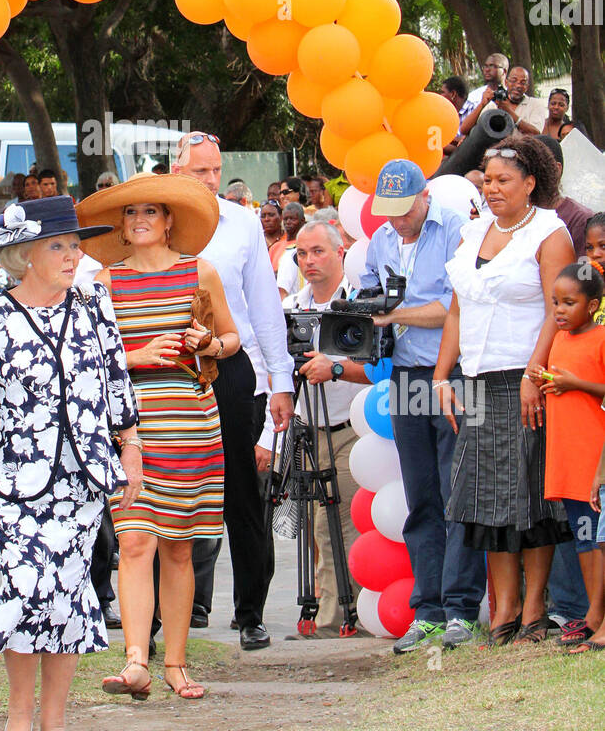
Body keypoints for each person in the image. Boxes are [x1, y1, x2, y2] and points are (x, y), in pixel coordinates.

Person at [0, 197, 141, 731]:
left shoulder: (94, 304)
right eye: (59, 245)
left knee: (71, 596)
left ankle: (55, 725)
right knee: (28, 589)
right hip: (11, 483)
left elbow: (117, 384)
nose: (72, 255)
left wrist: (131, 451)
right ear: (24, 254)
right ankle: (16, 715)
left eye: (74, 245)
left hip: (82, 480)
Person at [76, 175, 237, 697]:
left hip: (190, 423)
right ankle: (136, 662)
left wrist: (208, 341)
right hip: (129, 428)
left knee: (179, 549)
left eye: (151, 211)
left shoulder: (200, 271)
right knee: (135, 540)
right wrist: (135, 357)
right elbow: (83, 361)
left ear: (170, 221)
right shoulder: (101, 282)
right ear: (120, 227)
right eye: (130, 213)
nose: (140, 219)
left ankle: (176, 664)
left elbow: (232, 340)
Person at [434, 135, 575, 645]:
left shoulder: (550, 233)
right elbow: (456, 310)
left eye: (503, 181)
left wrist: (534, 374)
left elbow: (559, 311)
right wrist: (439, 377)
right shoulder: (472, 234)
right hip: (474, 381)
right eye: (487, 180)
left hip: (526, 380)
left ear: (531, 182)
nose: (491, 189)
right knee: (482, 496)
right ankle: (504, 607)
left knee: (530, 495)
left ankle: (535, 608)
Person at [172, 132, 293, 649]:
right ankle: (164, 615)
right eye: (199, 171)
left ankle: (251, 613)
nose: (210, 180)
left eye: (216, 170)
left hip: (232, 366)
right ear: (176, 171)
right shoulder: (155, 218)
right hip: (168, 370)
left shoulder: (242, 222)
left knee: (243, 494)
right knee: (170, 492)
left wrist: (281, 380)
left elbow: (265, 309)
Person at [359, 160, 485, 653]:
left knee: (460, 490)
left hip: (455, 373)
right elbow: (366, 297)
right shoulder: (381, 240)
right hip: (407, 374)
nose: (397, 220)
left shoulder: (456, 228)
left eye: (404, 208)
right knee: (421, 494)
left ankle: (462, 610)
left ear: (425, 194)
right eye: (387, 211)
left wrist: (394, 314)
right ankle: (429, 609)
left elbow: (457, 306)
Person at [278, 219, 370, 632]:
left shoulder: (359, 304)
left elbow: (379, 370)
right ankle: (332, 613)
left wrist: (334, 367)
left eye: (318, 251)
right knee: (318, 525)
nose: (309, 261)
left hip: (357, 427)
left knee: (351, 519)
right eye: (301, 253)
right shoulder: (291, 307)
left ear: (340, 253)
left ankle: (360, 611)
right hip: (308, 427)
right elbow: (278, 377)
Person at [527, 264, 605, 652]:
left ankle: (597, 616)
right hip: (566, 455)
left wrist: (576, 384)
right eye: (555, 301)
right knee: (583, 538)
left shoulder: (602, 338)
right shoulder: (558, 339)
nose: (558, 310)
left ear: (592, 305)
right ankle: (593, 613)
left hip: (593, 458)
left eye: (569, 303)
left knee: (596, 540)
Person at [536, 133, 592, 257]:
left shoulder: (580, 219)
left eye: (536, 167)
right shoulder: (517, 214)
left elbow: (584, 273)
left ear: (557, 168)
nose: (530, 175)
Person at [459, 64, 545, 138]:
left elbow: (536, 133)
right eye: (514, 81)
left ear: (527, 87)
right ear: (506, 83)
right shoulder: (494, 105)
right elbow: (464, 130)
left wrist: (509, 112)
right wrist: (482, 104)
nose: (518, 85)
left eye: (523, 82)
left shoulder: (535, 105)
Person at [458, 53, 509, 123]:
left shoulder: (513, 96)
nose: (487, 70)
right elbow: (462, 128)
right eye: (485, 66)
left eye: (492, 66)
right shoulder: (473, 98)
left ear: (504, 71)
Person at [275, 202, 307, 298]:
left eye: (292, 219)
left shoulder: (293, 253)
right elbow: (281, 291)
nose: (288, 222)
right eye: (285, 219)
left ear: (302, 221)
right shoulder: (278, 248)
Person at [260, 199, 286, 272]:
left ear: (281, 217)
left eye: (271, 215)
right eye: (263, 216)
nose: (267, 219)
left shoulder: (288, 239)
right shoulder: (256, 240)